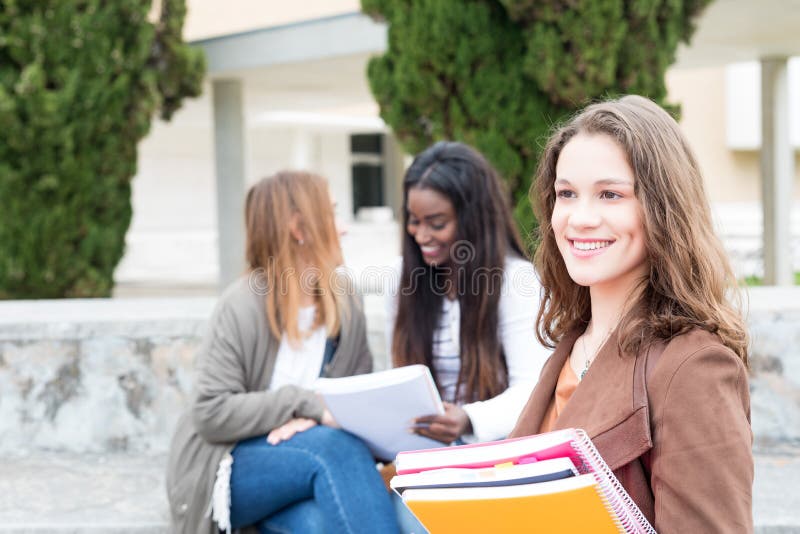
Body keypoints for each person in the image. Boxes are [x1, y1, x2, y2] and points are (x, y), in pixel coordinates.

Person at [510, 95, 753, 532]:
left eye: (610, 194)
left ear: (663, 208)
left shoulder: (693, 366)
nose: (579, 218)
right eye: (566, 194)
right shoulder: (570, 347)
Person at [166, 171, 399, 534]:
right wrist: (306, 405)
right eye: (332, 216)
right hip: (228, 465)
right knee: (333, 448)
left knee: (319, 524)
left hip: (309, 466)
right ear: (298, 227)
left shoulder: (345, 301)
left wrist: (321, 416)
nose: (343, 229)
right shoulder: (241, 306)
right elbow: (210, 413)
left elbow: (352, 402)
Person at [385, 141, 550, 444]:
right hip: (421, 452)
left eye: (437, 223)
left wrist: (469, 419)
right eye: (413, 220)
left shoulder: (516, 282)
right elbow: (397, 378)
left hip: (497, 451)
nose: (421, 235)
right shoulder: (401, 279)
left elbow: (533, 390)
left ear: (474, 220)